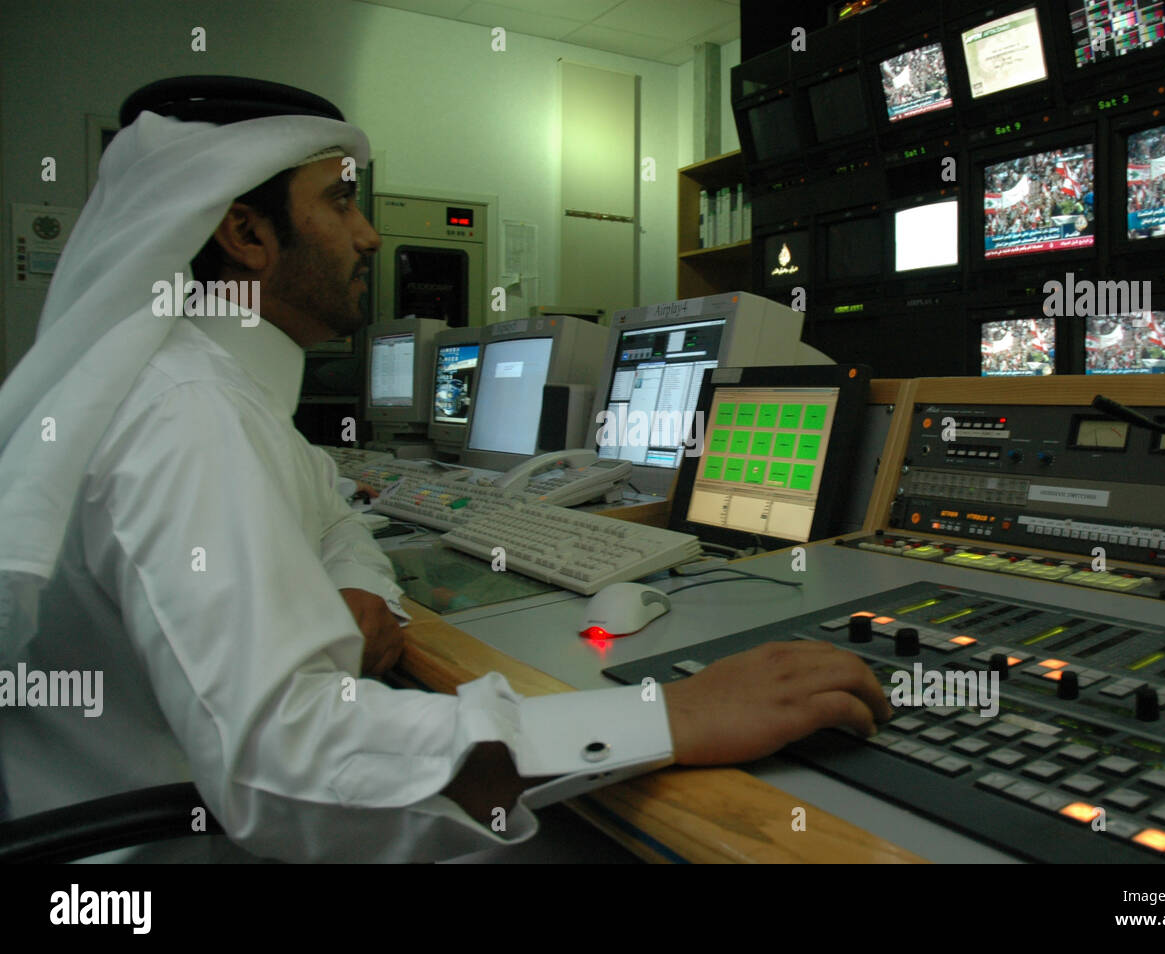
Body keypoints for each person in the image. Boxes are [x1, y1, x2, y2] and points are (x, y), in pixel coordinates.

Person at [0, 77, 890, 862]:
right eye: (340, 204)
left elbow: (334, 510)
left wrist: (366, 593)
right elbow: (285, 768)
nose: (372, 235)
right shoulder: (189, 414)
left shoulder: (216, 389)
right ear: (246, 234)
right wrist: (667, 715)